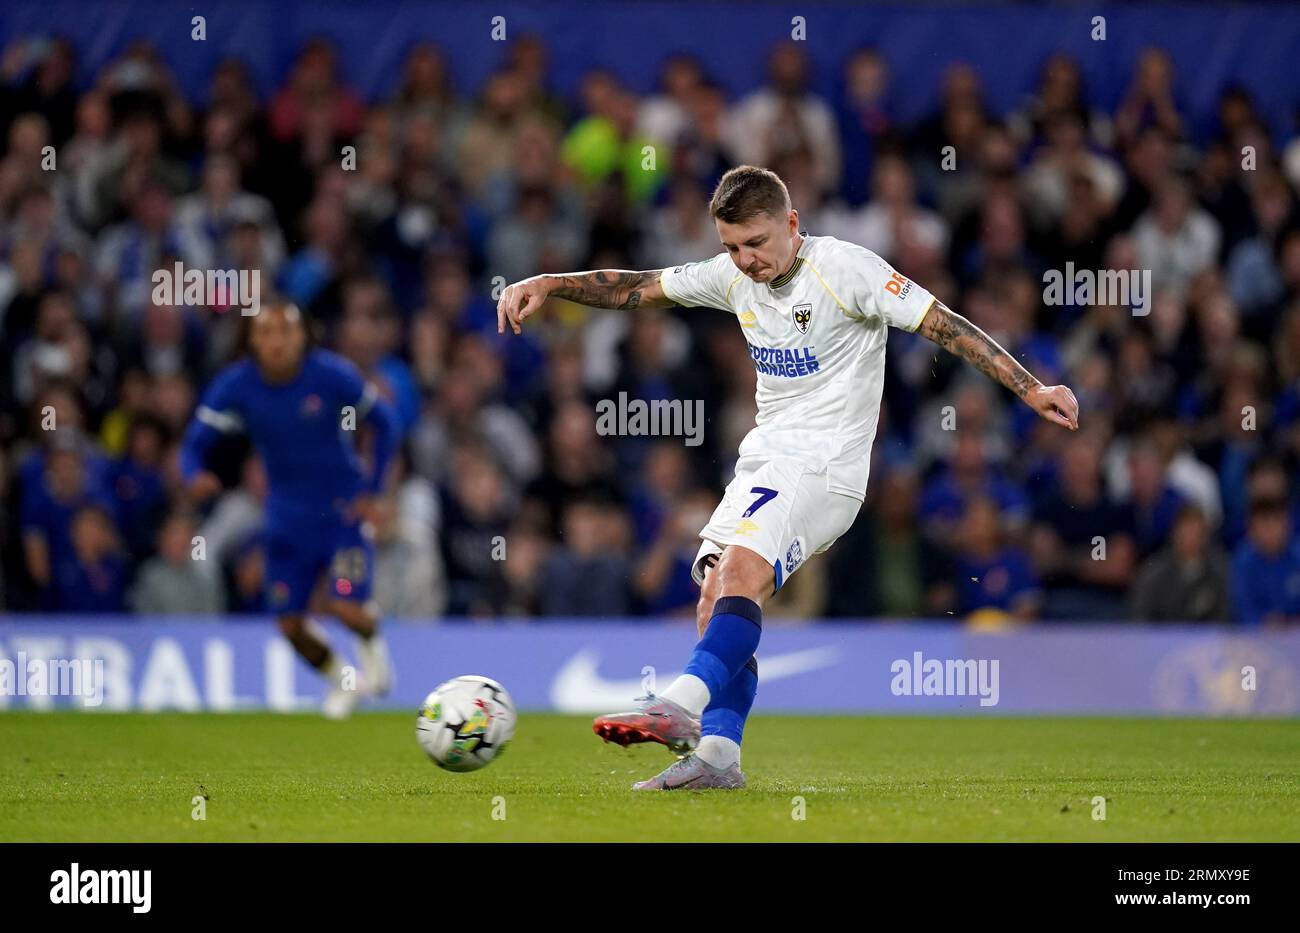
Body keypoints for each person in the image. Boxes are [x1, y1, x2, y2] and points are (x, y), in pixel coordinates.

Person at [497, 165, 1078, 790]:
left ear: (792, 225)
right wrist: (551, 282)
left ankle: (679, 706)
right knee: (714, 596)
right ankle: (718, 757)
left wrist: (1030, 387)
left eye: (756, 243)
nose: (745, 261)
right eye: (732, 247)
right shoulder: (732, 277)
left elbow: (944, 325)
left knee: (743, 569)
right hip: (766, 459)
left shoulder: (846, 270)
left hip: (827, 465)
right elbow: (638, 287)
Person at [180, 302, 399, 718]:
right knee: (289, 625)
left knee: (345, 605)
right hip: (284, 517)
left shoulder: (331, 374)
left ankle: (372, 642)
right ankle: (343, 682)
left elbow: (384, 422)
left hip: (341, 511)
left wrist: (373, 489)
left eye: (285, 331)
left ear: (303, 337)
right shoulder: (236, 384)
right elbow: (195, 442)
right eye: (266, 332)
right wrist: (194, 475)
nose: (276, 342)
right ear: (252, 340)